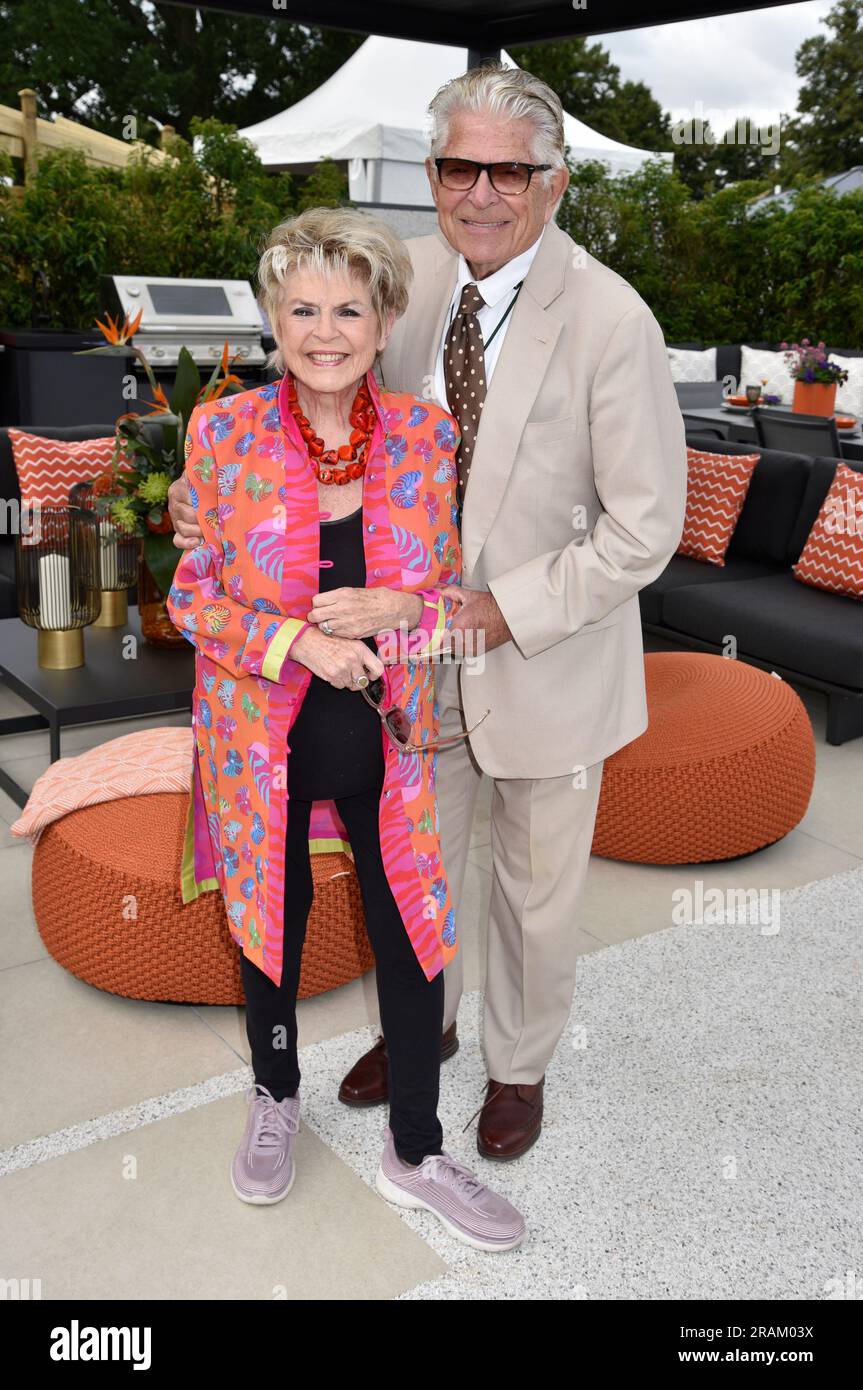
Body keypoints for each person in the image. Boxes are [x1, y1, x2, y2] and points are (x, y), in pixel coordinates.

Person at [169, 64, 687, 1166]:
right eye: (461, 166)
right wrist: (203, 493)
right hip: (407, 664)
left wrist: (501, 610)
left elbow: (644, 530)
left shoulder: (610, 318)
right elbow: (319, 403)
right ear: (433, 175)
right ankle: (428, 1029)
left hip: (540, 649)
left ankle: (518, 1066)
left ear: (554, 182)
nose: (483, 191)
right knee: (420, 864)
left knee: (534, 890)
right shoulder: (403, 280)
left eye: (510, 169)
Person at [165, 206, 525, 1252]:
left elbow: (446, 585)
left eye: (349, 309)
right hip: (257, 736)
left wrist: (402, 609)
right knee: (265, 913)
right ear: (273, 318)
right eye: (303, 308)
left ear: (382, 321)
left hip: (388, 737)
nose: (326, 330)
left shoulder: (425, 435)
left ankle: (414, 1149)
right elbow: (193, 600)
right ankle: (275, 1091)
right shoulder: (220, 436)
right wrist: (298, 647)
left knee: (412, 931)